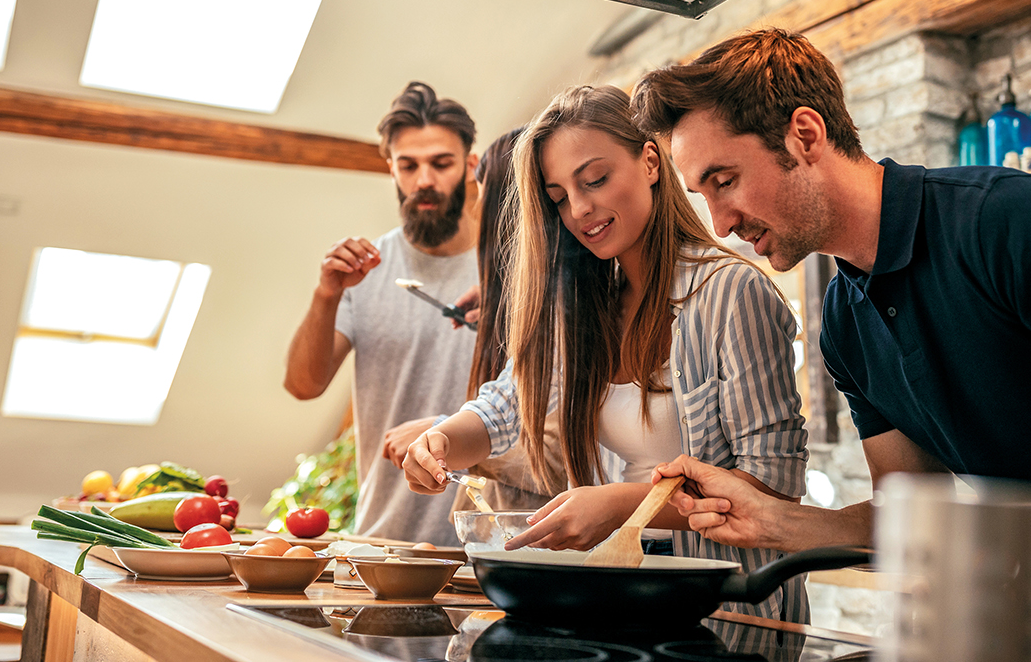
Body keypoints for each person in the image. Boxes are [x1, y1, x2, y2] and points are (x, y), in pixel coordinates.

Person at [628, 27, 1031, 554]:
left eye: (723, 179)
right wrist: (774, 520)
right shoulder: (843, 320)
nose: (721, 223)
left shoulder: (1008, 222)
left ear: (805, 135)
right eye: (702, 193)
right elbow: (911, 512)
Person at [403, 85, 810, 623]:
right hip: (622, 600)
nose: (579, 209)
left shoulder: (730, 293)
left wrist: (624, 505)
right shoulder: (585, 307)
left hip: (730, 610)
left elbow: (774, 487)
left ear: (649, 162)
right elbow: (504, 404)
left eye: (595, 180)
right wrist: (441, 442)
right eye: (558, 196)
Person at [284, 81, 480, 545]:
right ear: (391, 168)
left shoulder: (511, 267)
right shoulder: (365, 269)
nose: (424, 180)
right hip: (382, 544)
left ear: (470, 166)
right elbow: (303, 385)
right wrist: (327, 293)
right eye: (409, 166)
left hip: (485, 545)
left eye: (441, 163)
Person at [443, 128, 570, 512]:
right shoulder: (531, 306)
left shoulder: (570, 314)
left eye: (484, 205)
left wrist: (447, 434)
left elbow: (560, 462)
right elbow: (503, 402)